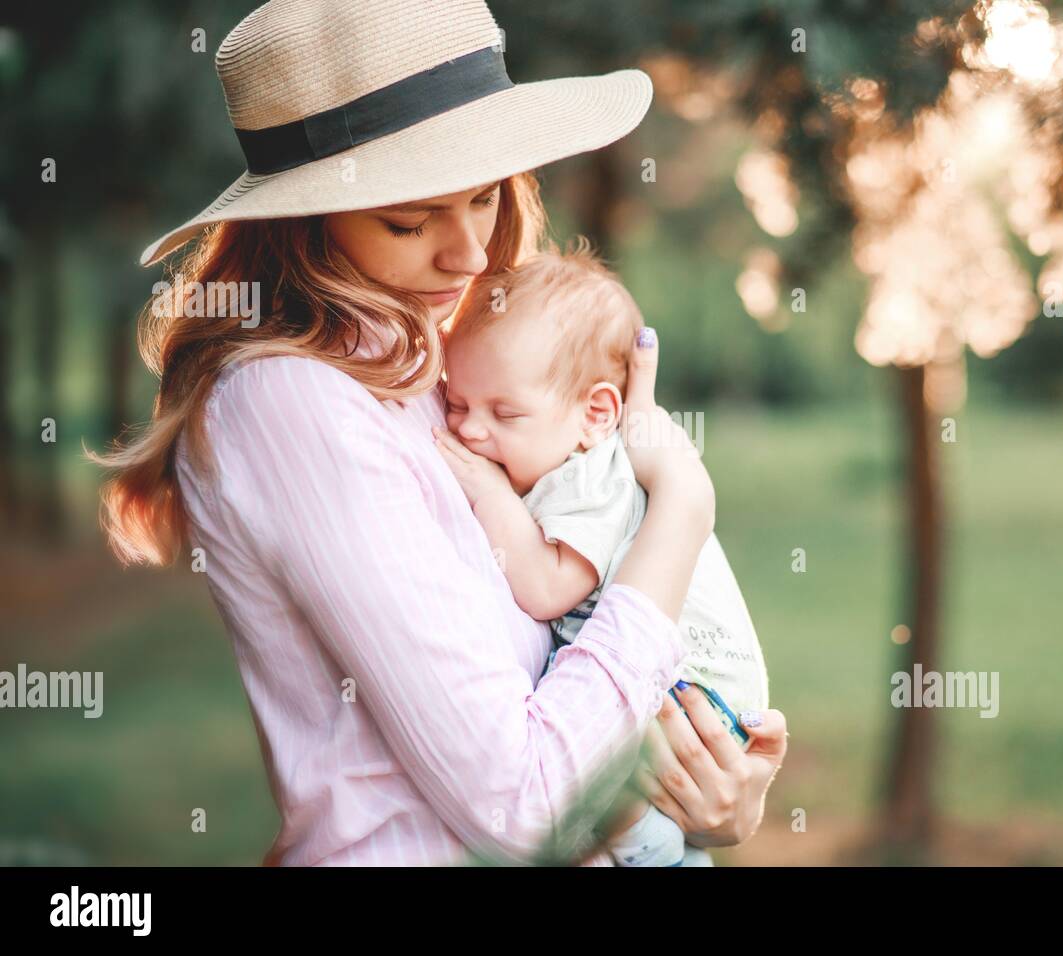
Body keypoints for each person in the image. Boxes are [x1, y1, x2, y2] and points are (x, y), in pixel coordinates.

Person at [95, 0, 786, 865]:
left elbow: (559, 686)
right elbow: (527, 804)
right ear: (305, 220)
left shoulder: (437, 370)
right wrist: (681, 504)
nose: (467, 253)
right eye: (408, 220)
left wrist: (705, 794)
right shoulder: (291, 400)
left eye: (486, 196)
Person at [436, 246, 771, 865]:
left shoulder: (592, 478)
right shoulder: (566, 457)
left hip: (693, 695)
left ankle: (660, 854)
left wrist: (485, 491)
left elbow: (545, 586)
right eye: (456, 404)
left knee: (606, 801)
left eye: (503, 412)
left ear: (596, 414)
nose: (469, 431)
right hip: (689, 695)